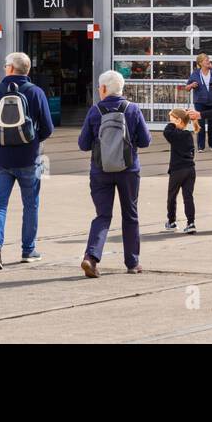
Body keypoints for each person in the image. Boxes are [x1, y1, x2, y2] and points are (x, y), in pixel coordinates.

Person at [0, 51, 55, 270]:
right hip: (29, 159)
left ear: (12, 69)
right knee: (31, 205)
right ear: (27, 70)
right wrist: (31, 141)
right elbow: (48, 128)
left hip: (0, 159)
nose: (4, 68)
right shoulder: (36, 92)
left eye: (5, 65)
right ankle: (28, 250)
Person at [78, 70, 151, 277]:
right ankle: (132, 262)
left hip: (100, 170)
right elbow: (145, 141)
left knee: (102, 215)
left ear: (103, 89)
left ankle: (91, 258)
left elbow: (83, 144)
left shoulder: (95, 111)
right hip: (129, 170)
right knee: (130, 215)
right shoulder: (132, 109)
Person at [163, 108, 198, 234]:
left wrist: (173, 123)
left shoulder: (175, 135)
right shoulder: (188, 134)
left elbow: (166, 132)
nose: (169, 121)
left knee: (172, 196)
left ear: (178, 120)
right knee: (188, 197)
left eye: (171, 118)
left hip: (177, 170)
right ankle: (191, 222)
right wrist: (176, 121)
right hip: (190, 169)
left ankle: (171, 222)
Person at [187, 53, 212, 153]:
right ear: (200, 63)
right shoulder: (195, 73)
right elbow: (187, 88)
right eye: (206, 60)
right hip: (200, 102)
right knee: (200, 125)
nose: (208, 61)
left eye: (208, 59)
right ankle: (201, 146)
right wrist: (192, 85)